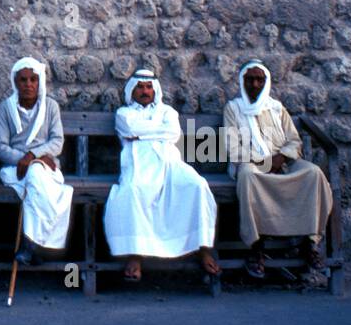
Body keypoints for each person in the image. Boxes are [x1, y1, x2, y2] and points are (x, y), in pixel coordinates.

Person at [102, 67, 220, 281]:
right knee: (133, 191)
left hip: (170, 163)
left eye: (149, 87)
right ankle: (135, 255)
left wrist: (142, 132)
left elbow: (173, 133)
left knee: (197, 185)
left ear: (155, 89)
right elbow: (129, 130)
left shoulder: (168, 112)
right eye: (140, 87)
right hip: (138, 163)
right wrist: (155, 131)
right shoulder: (124, 113)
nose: (145, 91)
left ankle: (202, 248)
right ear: (132, 91)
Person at [223, 59, 333, 280]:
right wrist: (265, 162)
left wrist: (280, 158)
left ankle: (310, 243)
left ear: (266, 82)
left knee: (314, 174)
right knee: (248, 177)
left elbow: (294, 141)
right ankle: (256, 247)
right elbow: (232, 147)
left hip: (283, 162)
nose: (254, 84)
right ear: (242, 81)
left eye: (259, 80)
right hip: (251, 163)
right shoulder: (233, 109)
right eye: (250, 79)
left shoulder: (276, 108)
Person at [0, 56, 73, 265]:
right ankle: (35, 245)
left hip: (46, 166)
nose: (28, 85)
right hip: (15, 168)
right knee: (35, 179)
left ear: (39, 82)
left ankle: (30, 244)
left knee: (37, 176)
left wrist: (33, 156)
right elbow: (0, 146)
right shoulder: (6, 108)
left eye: (33, 80)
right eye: (23, 80)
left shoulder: (51, 106)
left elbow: (57, 141)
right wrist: (24, 159)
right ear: (15, 82)